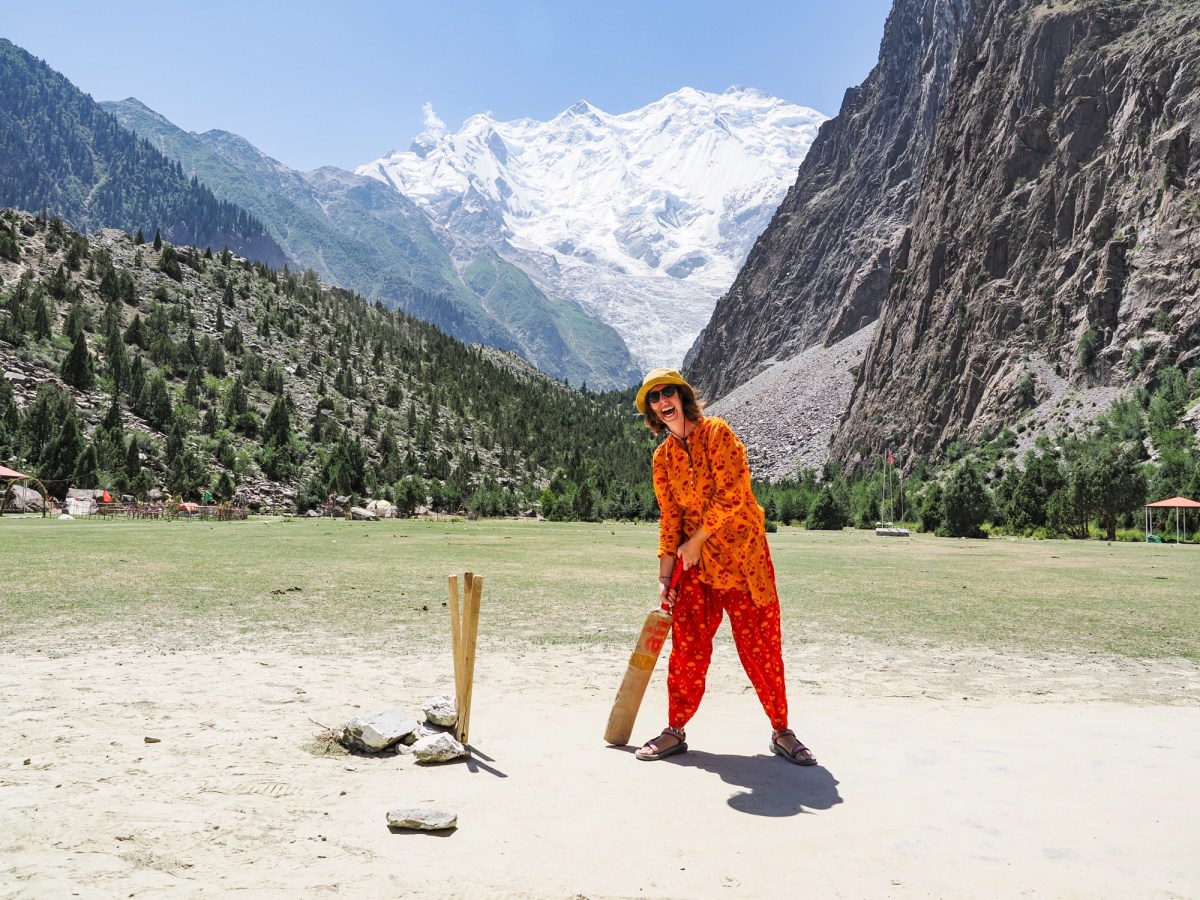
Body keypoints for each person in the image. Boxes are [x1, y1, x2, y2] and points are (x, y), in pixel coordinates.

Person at [633, 367, 817, 766]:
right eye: (654, 398)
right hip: (696, 569)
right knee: (687, 648)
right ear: (651, 411)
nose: (662, 402)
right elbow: (670, 520)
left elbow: (734, 493)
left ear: (682, 396)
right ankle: (674, 730)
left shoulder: (717, 433)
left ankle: (782, 731)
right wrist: (664, 577)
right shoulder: (662, 459)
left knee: (762, 648)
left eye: (667, 392)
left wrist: (697, 541)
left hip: (743, 561)